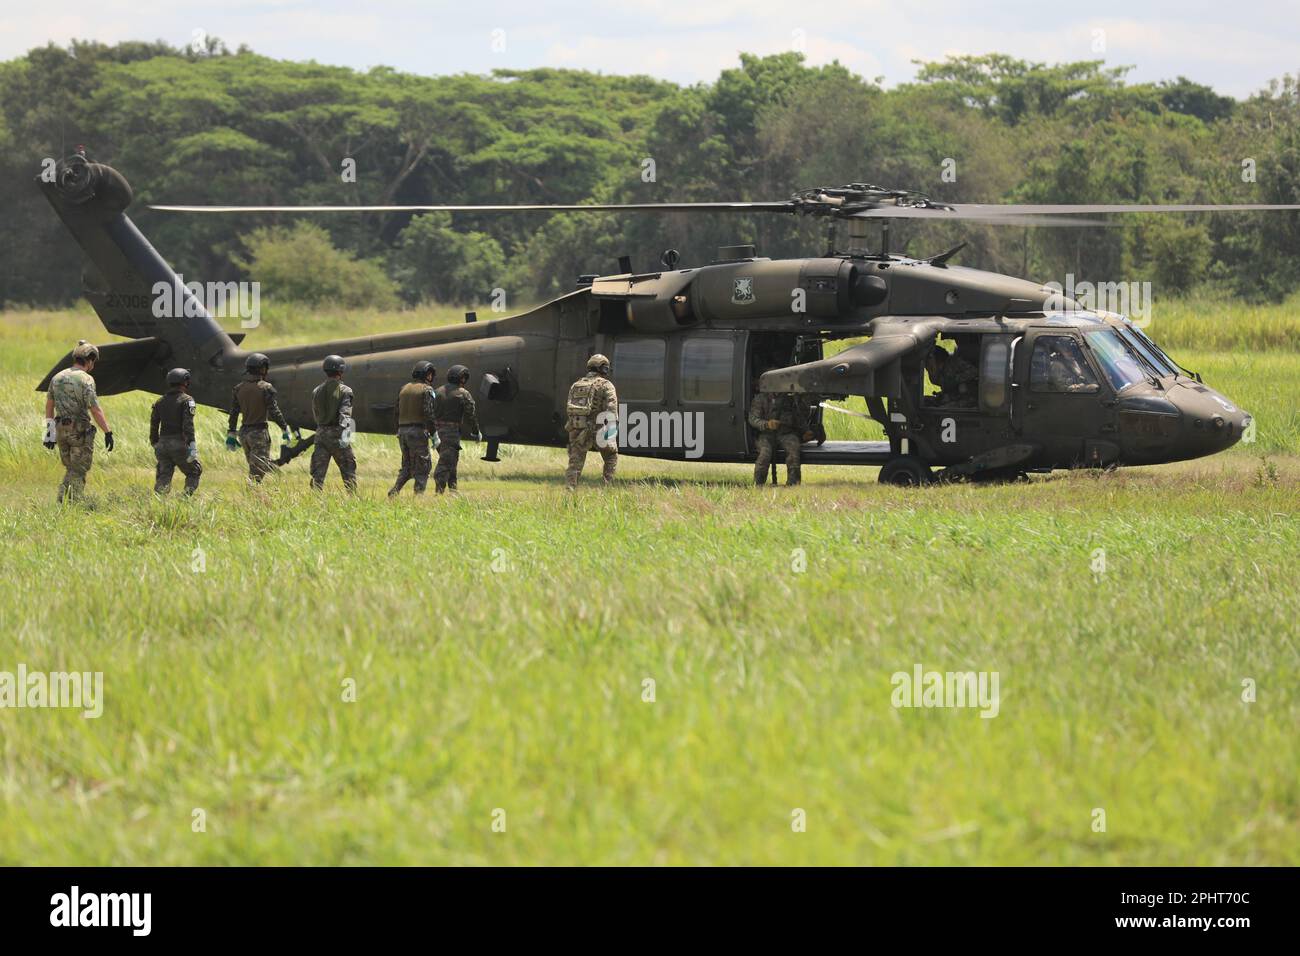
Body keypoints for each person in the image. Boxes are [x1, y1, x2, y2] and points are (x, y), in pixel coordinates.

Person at [44, 340, 114, 502]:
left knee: (71, 467)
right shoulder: (86, 379)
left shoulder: (57, 377)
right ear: (89, 360)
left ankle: (71, 502)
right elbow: (94, 409)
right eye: (93, 362)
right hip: (79, 430)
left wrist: (49, 433)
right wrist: (107, 432)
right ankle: (67, 500)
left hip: (60, 429)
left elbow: (49, 407)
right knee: (80, 468)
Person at [227, 352, 294, 482]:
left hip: (243, 433)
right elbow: (274, 411)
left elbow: (234, 413)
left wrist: (231, 433)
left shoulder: (238, 388)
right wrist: (284, 428)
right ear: (263, 368)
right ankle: (252, 494)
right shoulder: (265, 388)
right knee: (258, 471)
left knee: (254, 466)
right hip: (258, 433)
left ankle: (253, 493)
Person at [564, 354, 618, 490]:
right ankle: (607, 487)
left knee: (575, 462)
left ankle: (570, 489)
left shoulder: (577, 385)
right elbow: (611, 410)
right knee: (611, 456)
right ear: (603, 369)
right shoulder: (606, 385)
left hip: (579, 428)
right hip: (600, 429)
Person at [150, 367, 202, 496]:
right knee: (194, 471)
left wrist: (155, 443)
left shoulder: (159, 401)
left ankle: (159, 502)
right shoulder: (187, 400)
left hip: (162, 445)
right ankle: (185, 499)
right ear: (185, 382)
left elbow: (154, 424)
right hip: (179, 444)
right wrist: (192, 446)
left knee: (164, 474)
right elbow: (188, 425)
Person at [389, 361, 437, 497]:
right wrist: (434, 434)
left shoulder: (403, 388)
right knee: (423, 466)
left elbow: (396, 412)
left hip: (403, 432)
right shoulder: (427, 390)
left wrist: (397, 429)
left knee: (407, 466)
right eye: (430, 374)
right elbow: (429, 413)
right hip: (417, 432)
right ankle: (419, 495)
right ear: (427, 375)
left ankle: (395, 490)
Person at [310, 354, 357, 492]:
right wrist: (347, 435)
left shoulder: (316, 390)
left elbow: (316, 414)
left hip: (321, 433)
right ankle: (353, 499)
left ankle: (314, 499)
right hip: (338, 433)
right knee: (348, 469)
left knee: (318, 473)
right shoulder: (345, 391)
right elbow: (345, 415)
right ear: (341, 371)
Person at [432, 365, 481, 494]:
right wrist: (476, 431)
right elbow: (471, 415)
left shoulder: (437, 391)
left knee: (451, 461)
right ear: (462, 378)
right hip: (451, 433)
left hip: (437, 431)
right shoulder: (463, 393)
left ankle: (453, 491)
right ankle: (439, 492)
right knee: (446, 463)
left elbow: (428, 412)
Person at [748, 385, 808, 486]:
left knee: (794, 451)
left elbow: (798, 418)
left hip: (786, 433)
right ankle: (758, 484)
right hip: (766, 434)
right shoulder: (760, 399)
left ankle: (793, 484)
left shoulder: (790, 399)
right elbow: (753, 419)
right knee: (765, 453)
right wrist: (767, 424)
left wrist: (806, 431)